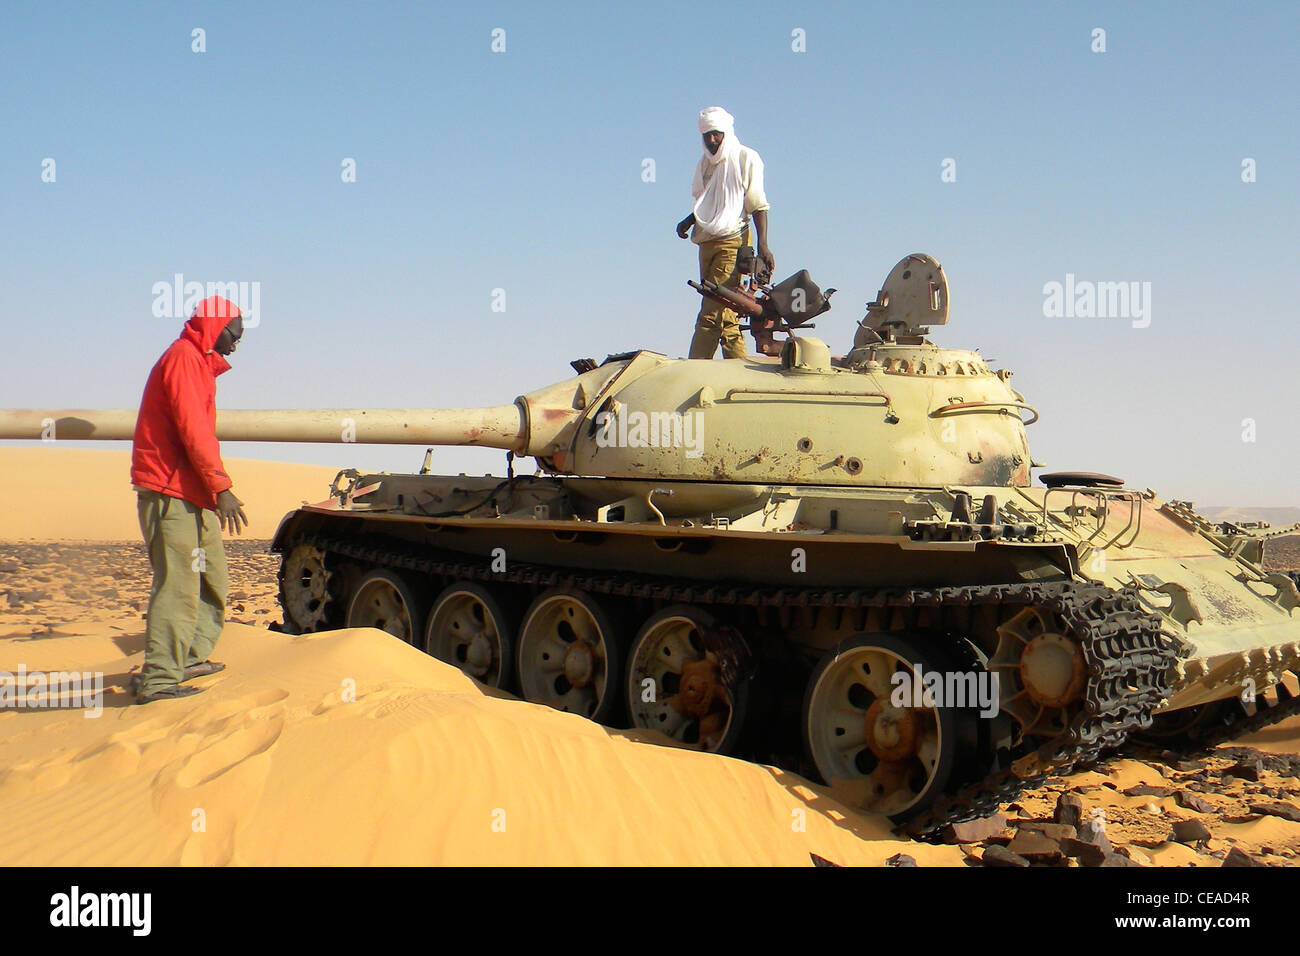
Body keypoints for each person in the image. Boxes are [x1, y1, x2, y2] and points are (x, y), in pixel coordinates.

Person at [130, 296, 249, 703]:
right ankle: (159, 678)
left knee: (211, 578)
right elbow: (192, 429)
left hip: (191, 493)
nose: (237, 342)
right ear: (217, 327)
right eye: (235, 333)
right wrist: (221, 486)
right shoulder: (183, 358)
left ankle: (188, 657)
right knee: (178, 585)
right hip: (170, 492)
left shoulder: (200, 364)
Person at [676, 106, 774, 359]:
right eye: (707, 135)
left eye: (716, 134)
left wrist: (763, 246)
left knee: (711, 308)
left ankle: (696, 367)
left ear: (727, 133)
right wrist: (688, 221)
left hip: (733, 240)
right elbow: (707, 202)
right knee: (726, 312)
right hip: (706, 240)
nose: (711, 140)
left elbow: (757, 204)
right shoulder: (704, 165)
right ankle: (739, 370)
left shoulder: (745, 157)